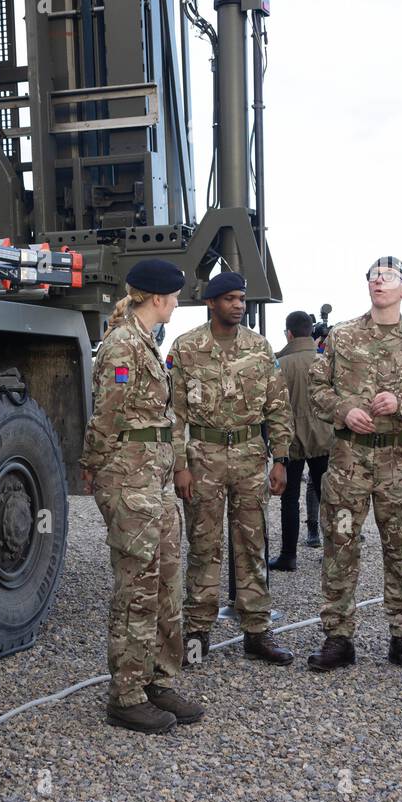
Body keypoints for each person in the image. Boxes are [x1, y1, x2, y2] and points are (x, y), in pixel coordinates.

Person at [80, 258, 202, 734]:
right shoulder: (123, 346)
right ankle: (127, 692)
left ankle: (158, 678)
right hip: (130, 481)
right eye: (174, 297)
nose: (176, 304)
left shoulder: (145, 343)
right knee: (137, 586)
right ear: (159, 299)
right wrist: (95, 470)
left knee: (167, 580)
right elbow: (106, 418)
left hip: (154, 482)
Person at [307, 256, 402, 672]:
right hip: (348, 462)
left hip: (396, 463)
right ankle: (338, 637)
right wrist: (344, 409)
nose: (379, 282)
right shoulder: (342, 336)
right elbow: (316, 387)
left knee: (400, 548)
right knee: (341, 544)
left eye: (389, 277)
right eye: (374, 277)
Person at [171, 271, 294, 666]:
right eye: (230, 299)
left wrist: (282, 459)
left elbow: (277, 406)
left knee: (252, 545)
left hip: (249, 455)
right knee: (204, 546)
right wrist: (179, 466)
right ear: (211, 302)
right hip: (203, 456)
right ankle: (197, 633)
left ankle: (257, 631)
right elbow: (174, 414)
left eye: (242, 298)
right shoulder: (187, 347)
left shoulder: (259, 348)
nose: (239, 305)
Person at [271, 310, 334, 569]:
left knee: (290, 498)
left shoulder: (279, 364)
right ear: (311, 332)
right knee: (329, 497)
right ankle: (335, 552)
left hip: (290, 439)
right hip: (324, 438)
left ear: (288, 333)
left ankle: (288, 555)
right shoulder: (325, 361)